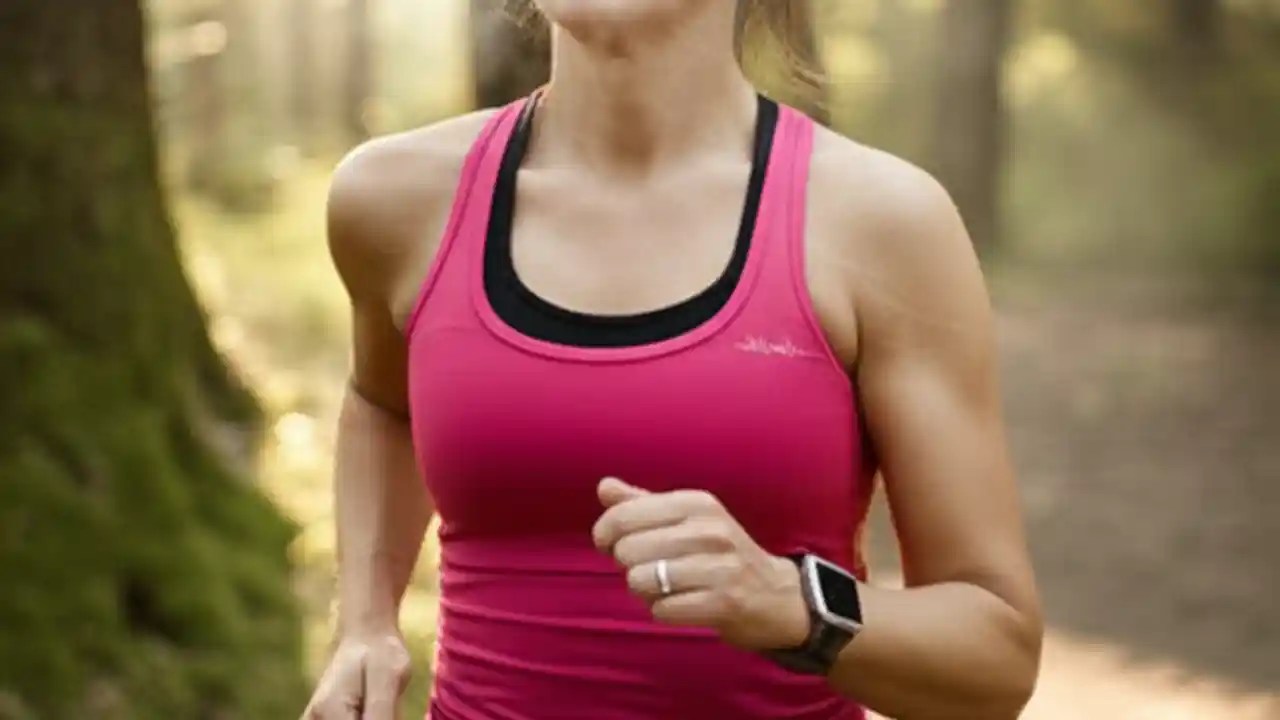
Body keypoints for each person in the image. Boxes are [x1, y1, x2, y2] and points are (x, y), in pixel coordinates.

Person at [302, 1, 1043, 718]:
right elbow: (382, 401)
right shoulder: (396, 200)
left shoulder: (880, 223)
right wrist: (364, 622)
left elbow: (995, 659)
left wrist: (792, 604)